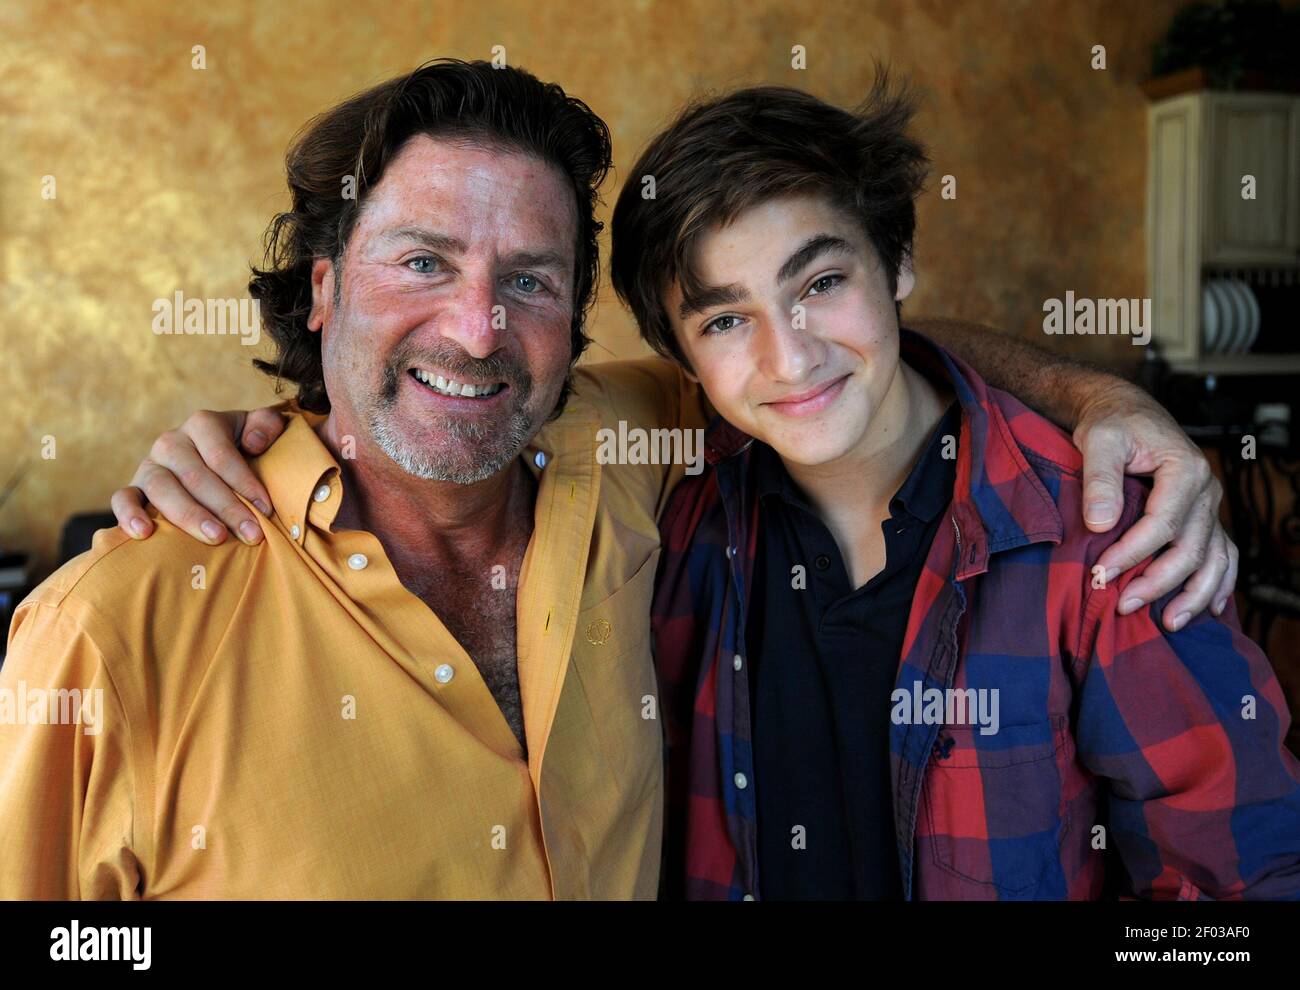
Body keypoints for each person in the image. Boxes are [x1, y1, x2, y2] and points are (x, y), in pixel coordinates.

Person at [81, 62, 1230, 900]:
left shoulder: (649, 460)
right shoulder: (120, 623)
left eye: (529, 280)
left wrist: (1100, 400)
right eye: (422, 261)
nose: (477, 329)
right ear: (322, 287)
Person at [609, 80, 1300, 899]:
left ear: (897, 262)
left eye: (822, 283)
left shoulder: (1101, 533)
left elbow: (1243, 888)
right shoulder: (670, 509)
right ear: (683, 360)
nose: (789, 359)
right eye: (725, 320)